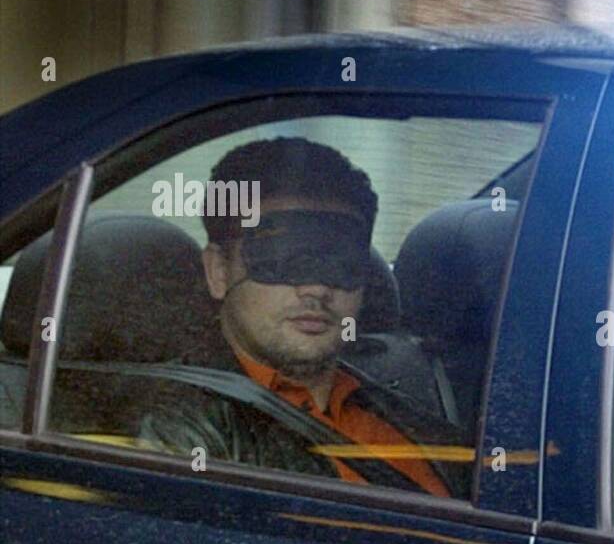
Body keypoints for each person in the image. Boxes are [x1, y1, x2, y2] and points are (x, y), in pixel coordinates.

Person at [137, 137, 463, 496]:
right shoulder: (180, 434)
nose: (316, 289)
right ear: (218, 271)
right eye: (283, 256)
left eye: (339, 261)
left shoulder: (403, 412)